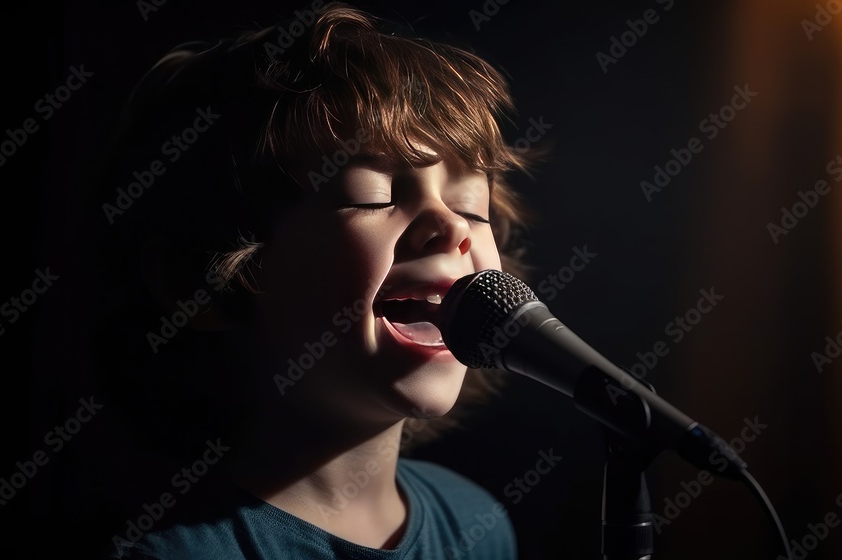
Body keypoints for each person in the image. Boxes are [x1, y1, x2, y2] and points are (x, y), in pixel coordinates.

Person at [90, 3, 536, 558]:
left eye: (471, 205)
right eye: (374, 195)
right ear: (196, 281)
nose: (449, 226)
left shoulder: (478, 526)